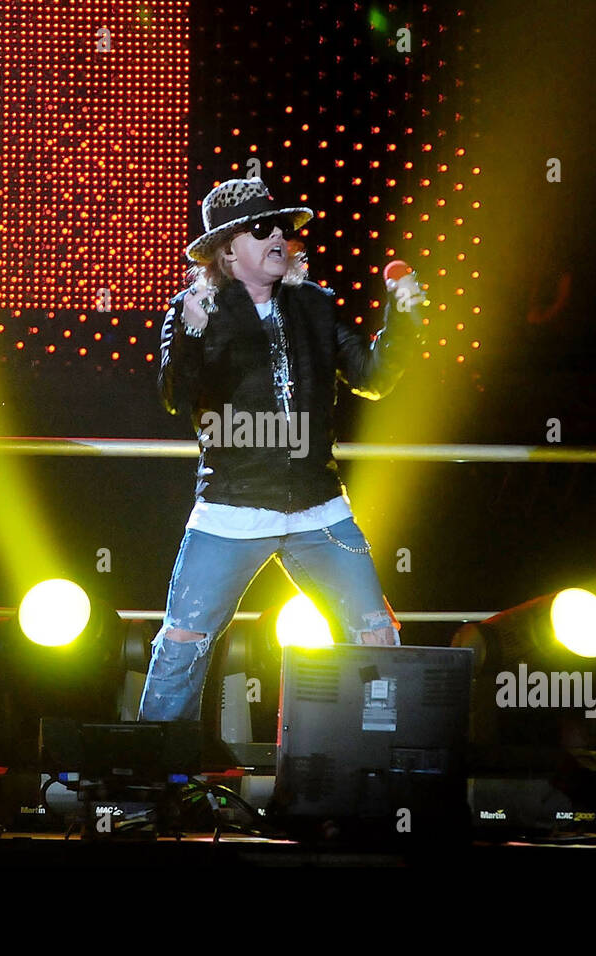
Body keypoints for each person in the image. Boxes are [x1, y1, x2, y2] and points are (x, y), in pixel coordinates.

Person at [139, 177, 427, 722]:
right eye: (260, 229)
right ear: (228, 252)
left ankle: (383, 765)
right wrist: (194, 335)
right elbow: (175, 396)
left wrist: (404, 320)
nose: (277, 237)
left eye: (280, 228)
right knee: (183, 637)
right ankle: (153, 779)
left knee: (376, 635)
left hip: (318, 506)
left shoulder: (313, 305)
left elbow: (373, 377)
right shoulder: (195, 310)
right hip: (232, 504)